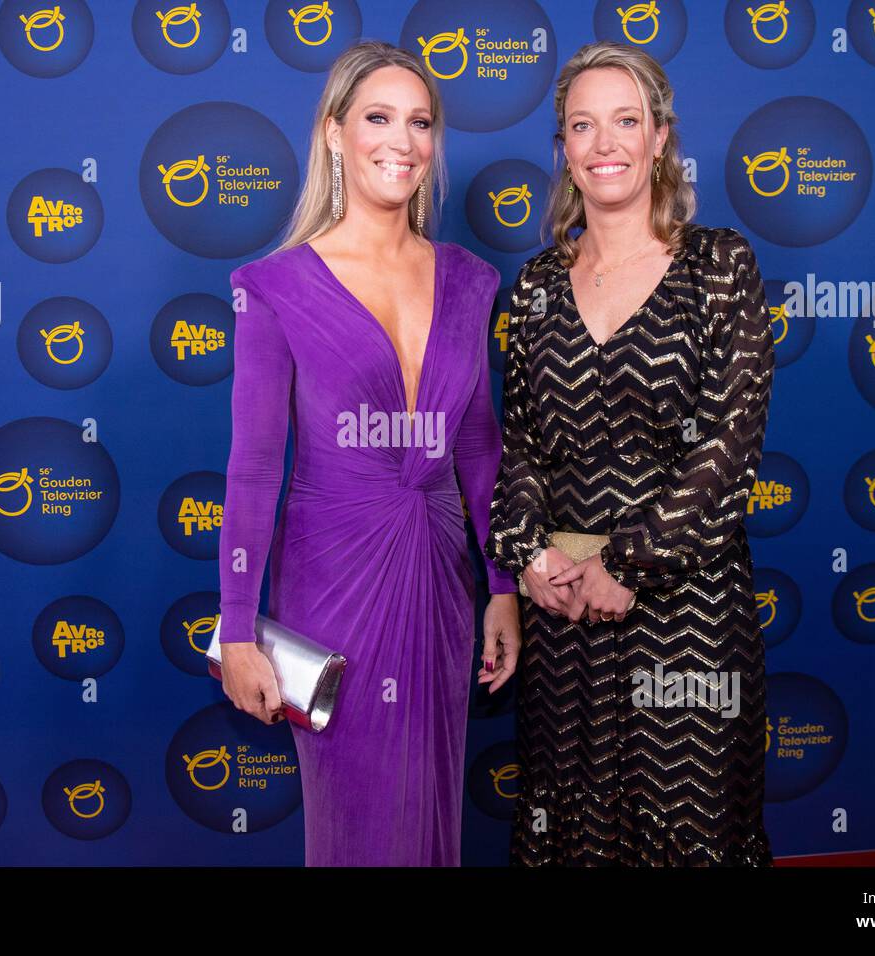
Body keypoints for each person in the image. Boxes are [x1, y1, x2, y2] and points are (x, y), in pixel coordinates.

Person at [215, 40, 521, 867]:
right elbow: (252, 470)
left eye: (420, 122)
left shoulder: (467, 280)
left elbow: (479, 447)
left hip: (443, 587)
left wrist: (500, 586)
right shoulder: (276, 287)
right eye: (378, 118)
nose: (403, 140)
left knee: (429, 817)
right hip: (336, 592)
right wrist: (238, 631)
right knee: (357, 828)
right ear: (333, 135)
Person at [487, 40, 776, 866]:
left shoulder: (719, 266)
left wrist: (631, 566)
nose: (604, 143)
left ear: (660, 139)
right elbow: (523, 449)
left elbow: (729, 445)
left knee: (687, 836)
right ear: (564, 150)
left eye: (625, 121)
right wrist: (532, 559)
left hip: (687, 617)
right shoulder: (537, 285)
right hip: (566, 618)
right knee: (570, 831)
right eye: (583, 125)